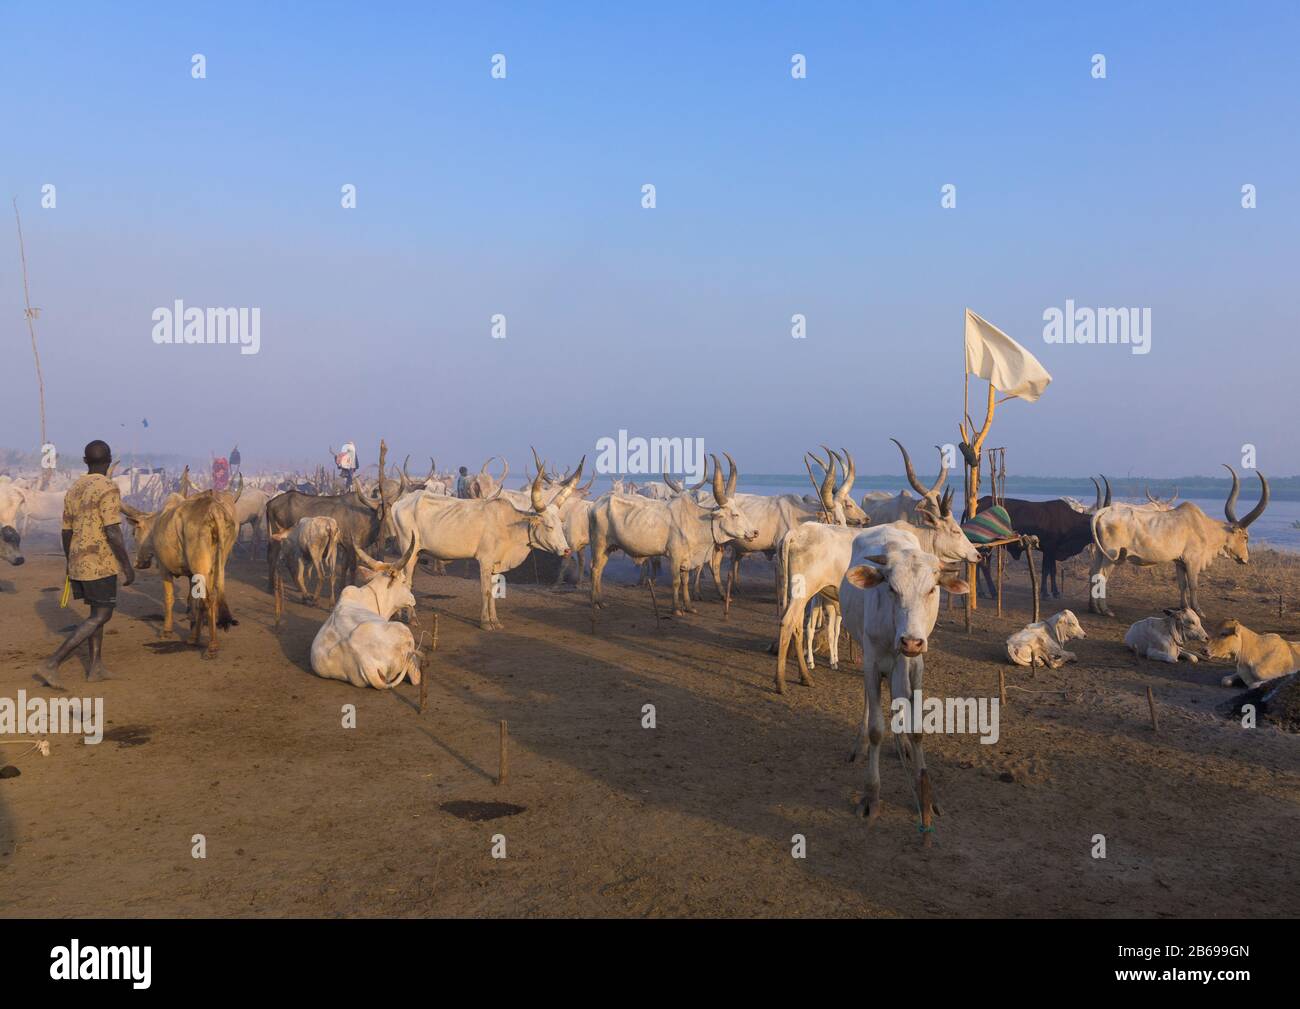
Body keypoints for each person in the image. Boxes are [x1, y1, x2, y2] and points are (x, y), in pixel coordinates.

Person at [39, 440, 135, 690]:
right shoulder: (108, 487)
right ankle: (52, 663)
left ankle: (95, 667)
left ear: (85, 462)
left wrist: (69, 563)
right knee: (103, 614)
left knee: (96, 613)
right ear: (109, 460)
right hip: (100, 562)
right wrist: (127, 565)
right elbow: (113, 531)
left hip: (78, 561)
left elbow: (65, 532)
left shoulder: (74, 489)